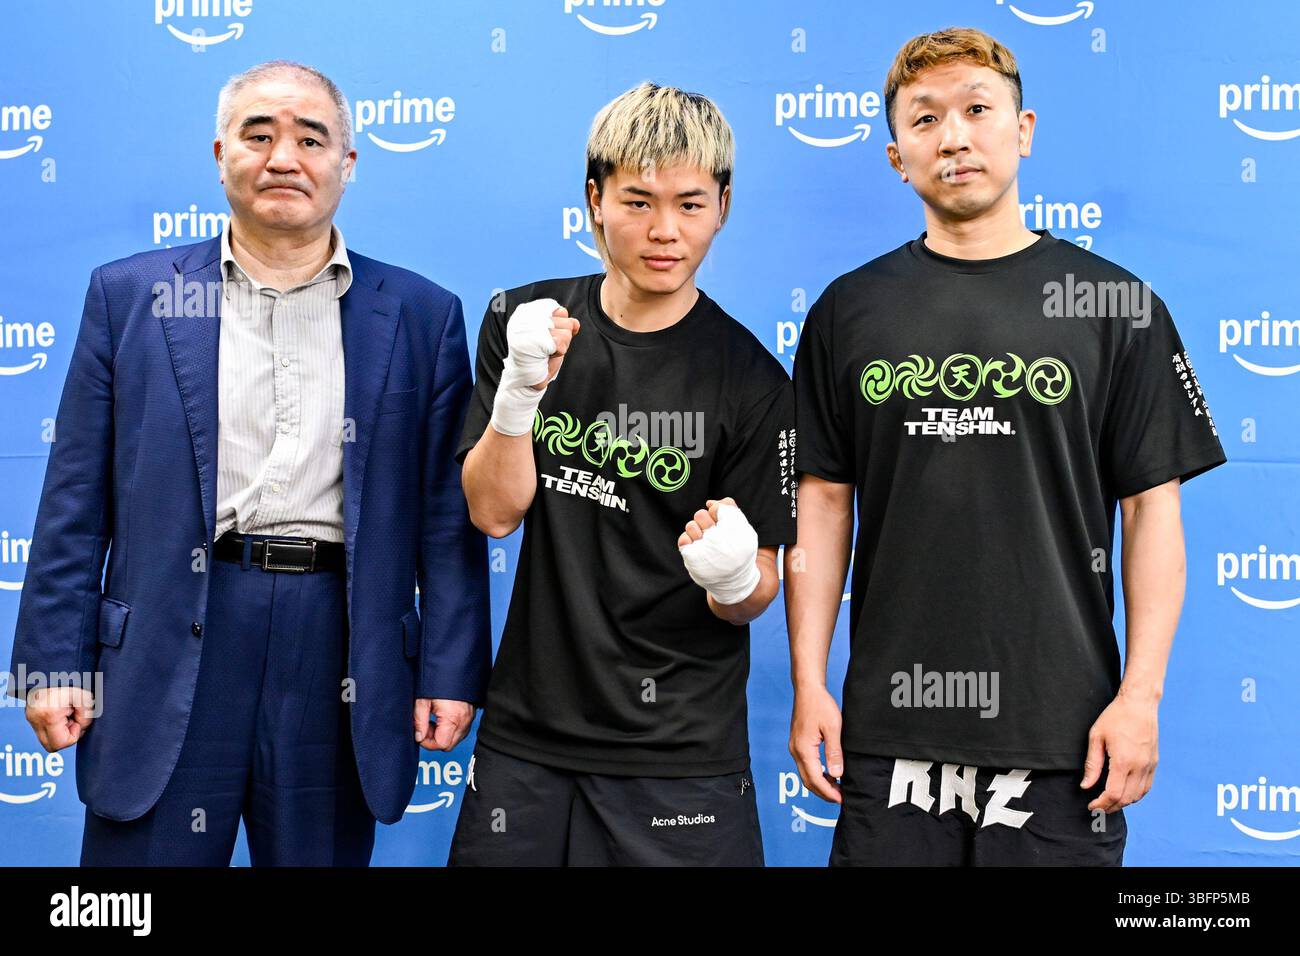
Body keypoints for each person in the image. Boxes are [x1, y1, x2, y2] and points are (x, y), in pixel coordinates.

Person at [7, 61, 490, 866]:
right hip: (171, 635)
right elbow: (74, 498)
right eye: (259, 136)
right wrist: (53, 663)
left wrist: (447, 667)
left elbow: (446, 517)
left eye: (311, 138)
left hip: (338, 646)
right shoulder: (131, 297)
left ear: (348, 163)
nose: (283, 158)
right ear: (221, 151)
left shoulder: (419, 315)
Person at [786, 28, 1227, 866]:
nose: (953, 137)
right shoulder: (849, 312)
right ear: (895, 156)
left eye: (976, 111)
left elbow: (1152, 512)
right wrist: (810, 681)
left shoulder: (1113, 307)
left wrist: (1141, 696)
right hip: (891, 737)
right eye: (925, 120)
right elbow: (821, 504)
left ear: (1022, 130)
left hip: (1064, 738)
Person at [449, 82, 797, 866]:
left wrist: (734, 574)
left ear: (723, 207)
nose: (664, 231)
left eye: (690, 204)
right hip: (527, 739)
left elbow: (761, 592)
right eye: (637, 201)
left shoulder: (754, 382)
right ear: (593, 199)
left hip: (678, 753)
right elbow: (492, 514)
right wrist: (517, 401)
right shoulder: (527, 321)